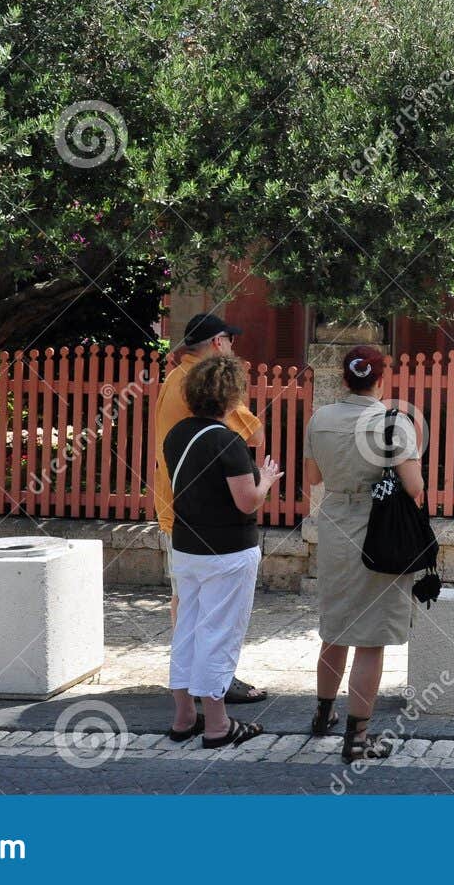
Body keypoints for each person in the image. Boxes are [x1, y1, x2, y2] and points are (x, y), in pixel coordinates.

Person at [302, 344, 424, 762]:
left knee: (335, 625)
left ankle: (322, 714)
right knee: (370, 638)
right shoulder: (395, 422)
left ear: (344, 376)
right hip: (380, 527)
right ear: (381, 377)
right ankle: (358, 737)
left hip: (335, 520)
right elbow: (413, 487)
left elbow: (314, 475)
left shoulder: (320, 418)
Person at [161, 354, 281, 748]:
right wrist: (265, 479)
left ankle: (184, 717)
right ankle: (217, 725)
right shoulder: (227, 440)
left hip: (187, 546)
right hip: (227, 551)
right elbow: (246, 501)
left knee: (188, 631)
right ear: (231, 397)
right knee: (219, 634)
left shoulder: (176, 434)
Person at [153, 311, 267, 705]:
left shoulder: (175, 377)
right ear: (218, 343)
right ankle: (215, 687)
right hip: (207, 518)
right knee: (214, 613)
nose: (234, 348)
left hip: (179, 509)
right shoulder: (204, 383)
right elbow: (253, 434)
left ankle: (189, 697)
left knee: (188, 605)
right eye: (230, 341)